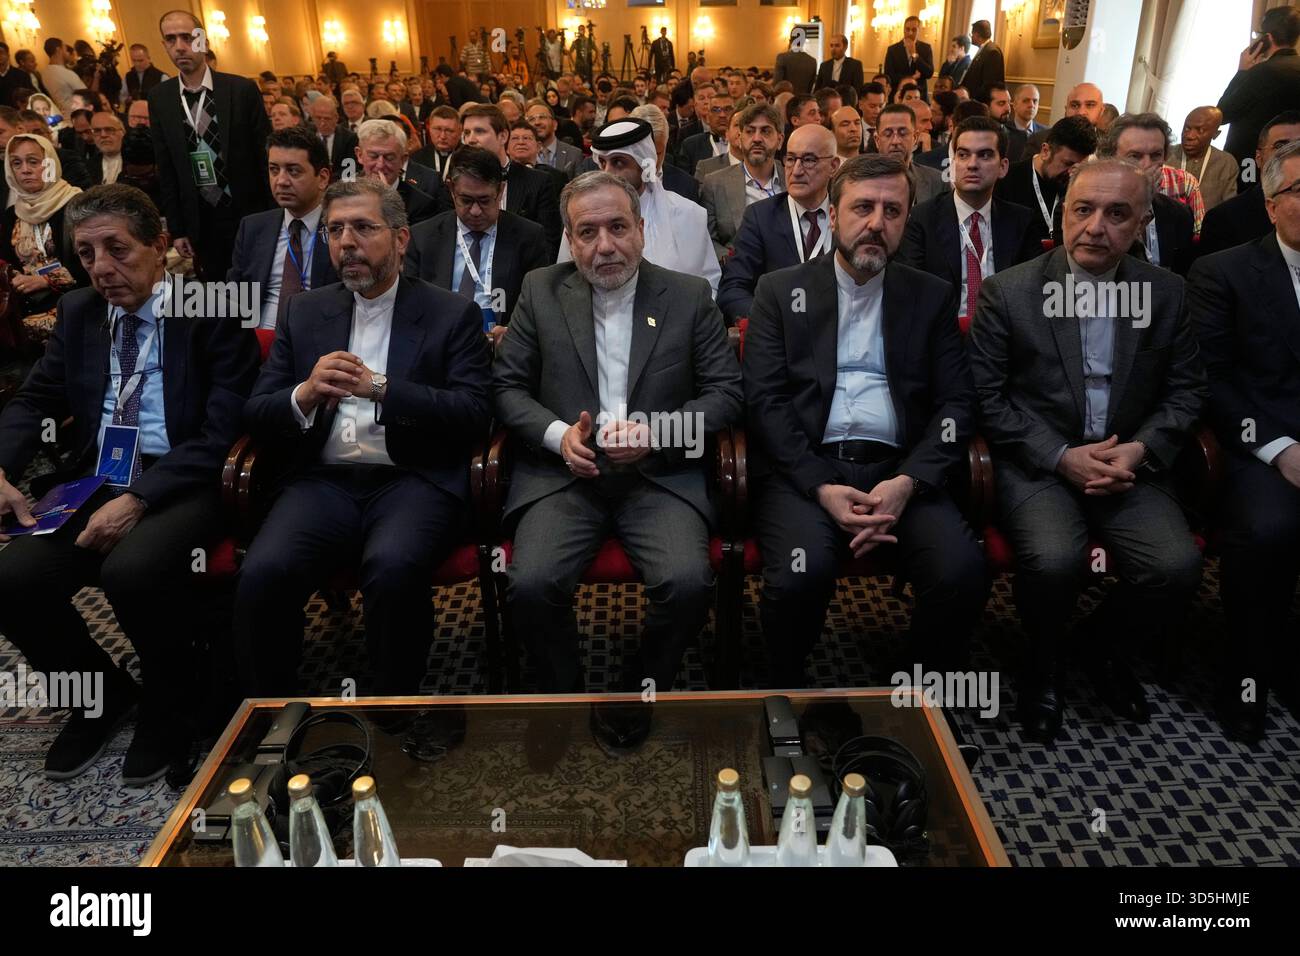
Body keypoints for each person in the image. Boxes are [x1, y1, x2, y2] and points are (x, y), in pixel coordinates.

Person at [0, 184, 260, 784]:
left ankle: (172, 703)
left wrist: (141, 497)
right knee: (11, 577)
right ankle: (100, 696)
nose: (103, 269)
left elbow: (226, 429)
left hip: (187, 480)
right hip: (97, 480)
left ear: (159, 245)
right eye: (87, 255)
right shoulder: (81, 313)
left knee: (132, 568)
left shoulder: (212, 306)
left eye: (118, 249)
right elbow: (37, 397)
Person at [968, 158, 1208, 744]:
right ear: (1063, 212)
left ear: (1142, 222)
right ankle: (1042, 664)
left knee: (1175, 568)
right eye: (1083, 209)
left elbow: (1187, 390)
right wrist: (1060, 456)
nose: (1096, 227)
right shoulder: (1012, 291)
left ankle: (1097, 647)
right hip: (1041, 465)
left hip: (1131, 465)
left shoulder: (1168, 293)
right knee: (1053, 562)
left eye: (1117, 213)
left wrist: (1141, 450)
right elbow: (988, 398)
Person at [493, 171, 742, 735]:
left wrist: (657, 433)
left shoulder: (687, 295)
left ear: (642, 230)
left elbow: (727, 394)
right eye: (587, 232)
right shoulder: (540, 289)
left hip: (659, 479)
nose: (604, 246)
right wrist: (560, 436)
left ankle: (640, 687)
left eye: (617, 228)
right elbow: (507, 389)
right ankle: (563, 695)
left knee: (686, 582)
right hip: (565, 478)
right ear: (570, 240)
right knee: (530, 584)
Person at [236, 177, 492, 697]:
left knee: (392, 567)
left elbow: (473, 414)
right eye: (334, 230)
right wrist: (304, 394)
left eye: (363, 228)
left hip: (413, 478)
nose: (346, 242)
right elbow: (257, 411)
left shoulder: (450, 312)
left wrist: (381, 388)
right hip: (323, 481)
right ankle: (270, 714)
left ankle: (393, 704)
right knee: (264, 571)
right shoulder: (305, 311)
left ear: (401, 239)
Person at [744, 153, 987, 687]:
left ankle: (912, 694)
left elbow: (957, 404)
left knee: (962, 572)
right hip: (806, 470)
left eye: (892, 211)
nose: (877, 223)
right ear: (833, 216)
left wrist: (909, 481)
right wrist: (821, 485)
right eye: (862, 208)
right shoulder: (780, 292)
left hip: (901, 470)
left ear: (906, 220)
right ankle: (785, 693)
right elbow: (765, 402)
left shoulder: (929, 296)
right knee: (799, 576)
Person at [1188, 139, 1300, 741]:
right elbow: (1211, 382)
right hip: (1255, 442)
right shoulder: (1225, 272)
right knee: (1269, 528)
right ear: (1272, 203)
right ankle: (1247, 673)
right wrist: (1281, 449)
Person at [149, 9, 271, 281]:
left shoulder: (240, 90)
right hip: (200, 219)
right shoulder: (160, 98)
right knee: (220, 300)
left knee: (256, 291)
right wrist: (178, 228)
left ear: (203, 40)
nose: (180, 46)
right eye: (171, 39)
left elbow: (264, 158)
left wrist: (274, 217)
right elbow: (166, 168)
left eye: (187, 37)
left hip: (247, 212)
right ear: (164, 45)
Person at [896, 117, 1040, 330]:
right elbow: (911, 293)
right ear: (953, 165)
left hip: (1004, 336)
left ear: (1003, 167)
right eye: (963, 155)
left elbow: (1030, 295)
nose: (972, 164)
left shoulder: (1022, 221)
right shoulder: (922, 219)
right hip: (942, 335)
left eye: (985, 155)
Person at [404, 145, 550, 341]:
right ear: (451, 190)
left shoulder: (528, 237)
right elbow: (411, 306)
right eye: (466, 200)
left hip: (504, 347)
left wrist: (513, 335)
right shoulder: (423, 237)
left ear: (501, 191)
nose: (475, 211)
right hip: (439, 345)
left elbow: (537, 307)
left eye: (484, 200)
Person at [558, 119, 719, 296]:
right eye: (603, 163)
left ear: (643, 164)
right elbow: (567, 283)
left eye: (618, 163)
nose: (608, 173)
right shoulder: (584, 216)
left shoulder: (688, 214)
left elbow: (707, 283)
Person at [718, 123, 841, 322]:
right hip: (780, 339)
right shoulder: (760, 217)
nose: (797, 170)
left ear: (833, 166)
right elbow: (733, 290)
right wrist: (774, 323)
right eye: (791, 159)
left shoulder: (848, 216)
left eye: (809, 160)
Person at [228, 126, 337, 331]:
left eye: (293, 171)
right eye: (274, 169)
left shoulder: (341, 229)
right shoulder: (253, 227)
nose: (281, 181)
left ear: (322, 178)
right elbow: (235, 295)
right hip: (255, 339)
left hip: (317, 339)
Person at [0, 134, 88, 343]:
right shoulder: (12, 214)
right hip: (25, 302)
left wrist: (44, 280)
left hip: (75, 298)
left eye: (33, 161)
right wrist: (13, 277)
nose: (25, 170)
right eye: (16, 163)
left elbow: (92, 262)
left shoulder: (77, 205)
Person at [1097, 113, 1195, 274]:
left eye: (1156, 155)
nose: (1147, 165)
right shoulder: (1088, 211)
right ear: (1110, 158)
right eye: (1135, 156)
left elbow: (1181, 279)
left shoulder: (1180, 214)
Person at [461, 103, 562, 257]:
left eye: (479, 131)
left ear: (503, 136)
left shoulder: (538, 183)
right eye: (467, 133)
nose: (471, 139)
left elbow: (547, 247)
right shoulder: (456, 181)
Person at [1218, 5, 1300, 189]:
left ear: (1268, 38)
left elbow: (1223, 112)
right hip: (1293, 163)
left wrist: (1241, 73)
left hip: (1250, 167)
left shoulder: (1259, 74)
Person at [1199, 111, 1300, 256]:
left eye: (1298, 146)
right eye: (1280, 146)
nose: (1291, 153)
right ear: (1259, 158)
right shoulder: (1224, 219)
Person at [995, 115, 1097, 246]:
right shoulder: (1006, 180)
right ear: (1045, 151)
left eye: (1079, 166)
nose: (1072, 172)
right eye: (1067, 163)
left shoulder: (1075, 188)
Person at [702, 103, 785, 259]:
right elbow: (708, 239)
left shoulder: (792, 179)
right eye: (749, 131)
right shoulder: (715, 183)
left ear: (780, 140)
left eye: (765, 131)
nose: (757, 139)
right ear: (739, 138)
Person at [355, 118, 442, 227]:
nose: (380, 165)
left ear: (403, 159)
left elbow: (410, 243)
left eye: (389, 158)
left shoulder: (422, 204)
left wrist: (386, 202)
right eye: (373, 156)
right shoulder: (342, 194)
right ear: (359, 155)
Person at [1168, 106, 1238, 211]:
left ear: (1216, 134)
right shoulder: (1165, 155)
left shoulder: (1226, 163)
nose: (1190, 136)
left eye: (1200, 130)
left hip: (1208, 225)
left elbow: (1228, 208)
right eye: (1187, 128)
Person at [874, 104, 945, 203]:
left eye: (903, 133)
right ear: (877, 140)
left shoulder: (937, 182)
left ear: (915, 138)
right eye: (888, 134)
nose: (895, 141)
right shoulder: (860, 183)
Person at [677, 89, 733, 176]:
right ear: (708, 117)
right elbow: (685, 182)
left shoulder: (743, 144)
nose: (722, 115)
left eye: (727, 109)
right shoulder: (691, 146)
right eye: (716, 110)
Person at [885, 16, 934, 102]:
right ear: (903, 30)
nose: (910, 33)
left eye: (914, 30)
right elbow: (889, 75)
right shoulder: (892, 49)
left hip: (920, 96)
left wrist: (914, 55)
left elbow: (929, 73)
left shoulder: (926, 48)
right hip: (899, 96)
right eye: (907, 29)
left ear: (919, 30)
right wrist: (912, 77)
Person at [526, 101, 582, 177]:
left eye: (542, 117)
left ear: (555, 125)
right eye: (531, 119)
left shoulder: (574, 154)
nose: (537, 122)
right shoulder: (522, 154)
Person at [959, 20, 1004, 103]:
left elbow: (989, 83)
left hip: (981, 102)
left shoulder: (992, 51)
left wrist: (973, 100)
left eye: (971, 34)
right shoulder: (984, 49)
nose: (971, 37)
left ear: (977, 35)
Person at [410, 105, 462, 177]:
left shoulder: (470, 159)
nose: (442, 136)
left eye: (449, 131)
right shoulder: (416, 159)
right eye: (438, 129)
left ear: (460, 132)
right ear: (429, 129)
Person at [694, 109, 744, 181]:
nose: (740, 131)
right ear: (727, 134)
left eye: (747, 127)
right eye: (737, 125)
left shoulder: (764, 169)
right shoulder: (706, 168)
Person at [41, 37, 81, 113]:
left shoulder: (44, 73)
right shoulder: (66, 73)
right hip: (77, 112)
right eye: (65, 49)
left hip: (64, 113)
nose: (67, 53)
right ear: (58, 50)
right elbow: (86, 95)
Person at [86, 111, 125, 185]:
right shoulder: (88, 167)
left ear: (122, 132)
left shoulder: (135, 163)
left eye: (109, 130)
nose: (103, 135)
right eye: (97, 131)